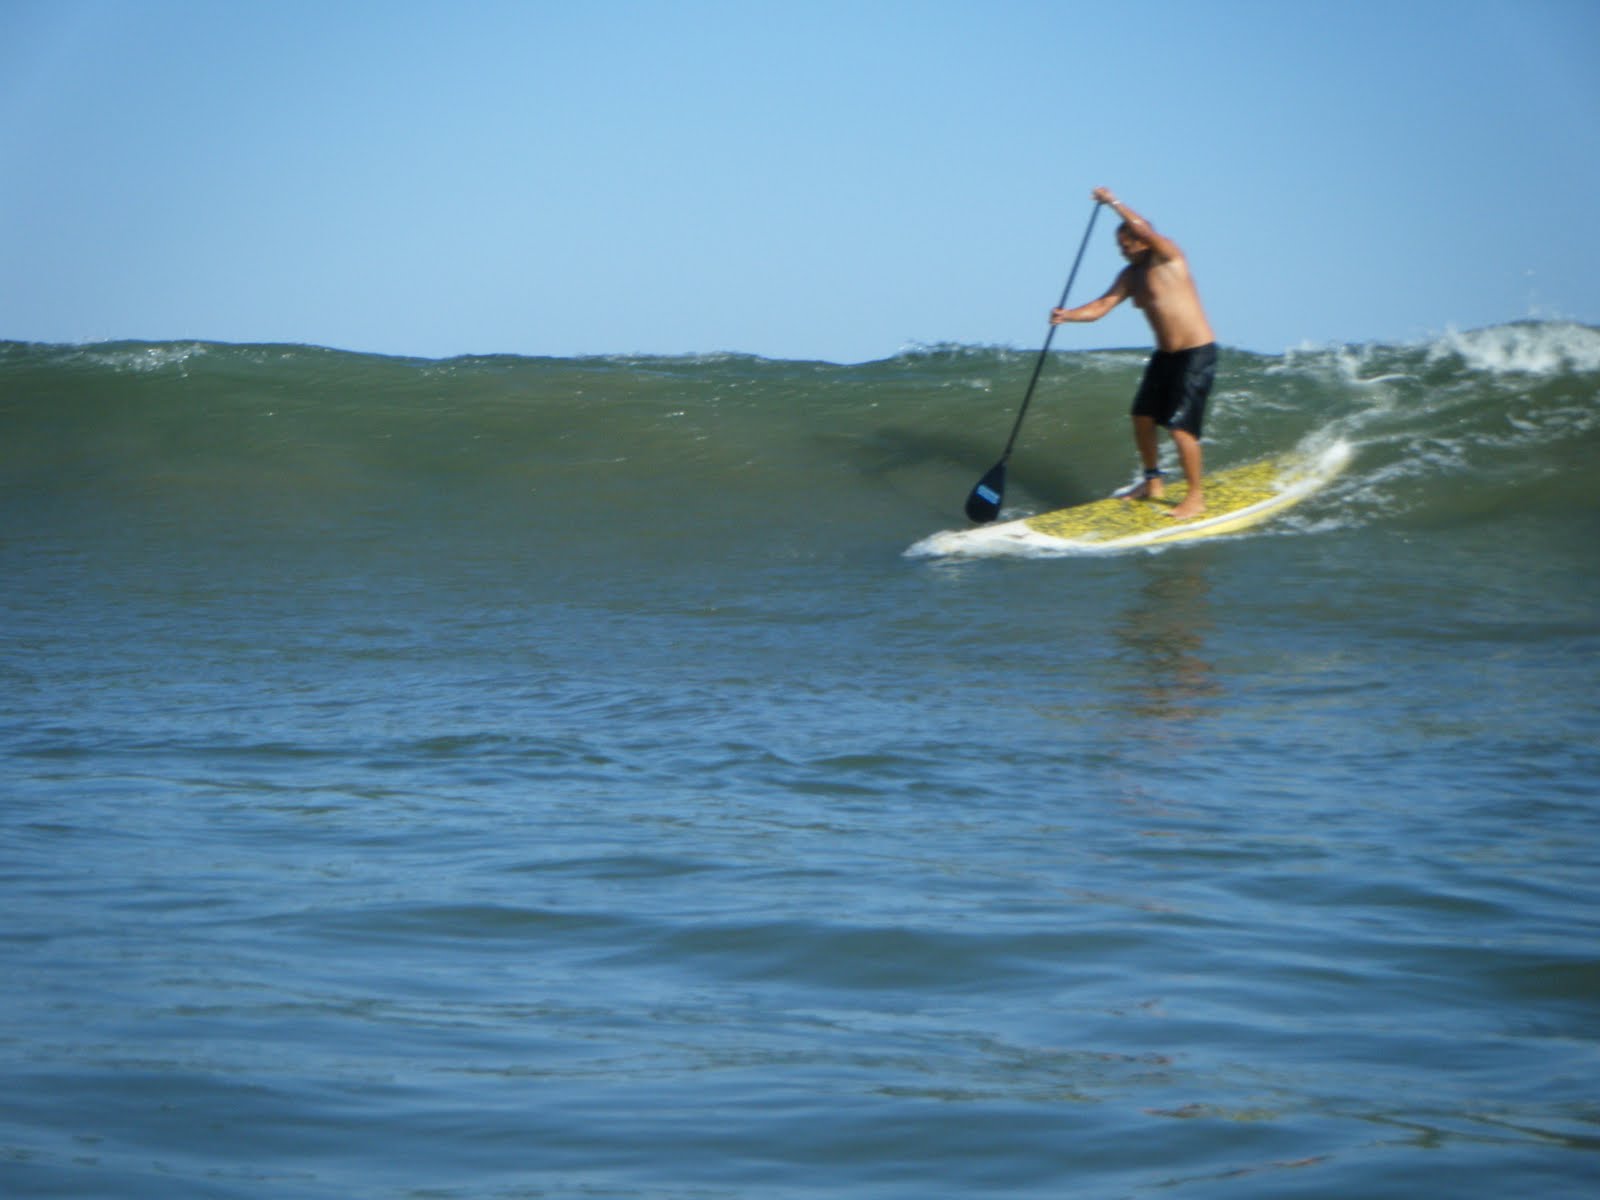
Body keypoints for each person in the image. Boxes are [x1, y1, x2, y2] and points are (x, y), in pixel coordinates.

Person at [1051, 187, 1217, 520]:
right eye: (1119, 246)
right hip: (1165, 356)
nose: (1122, 251)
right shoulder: (1130, 276)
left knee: (1180, 428)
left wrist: (1112, 201)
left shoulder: (1168, 257)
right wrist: (1067, 315)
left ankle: (1195, 497)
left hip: (1195, 354)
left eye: (1125, 245)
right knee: (1142, 417)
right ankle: (1153, 481)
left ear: (1141, 241)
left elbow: (1143, 229)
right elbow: (1101, 306)